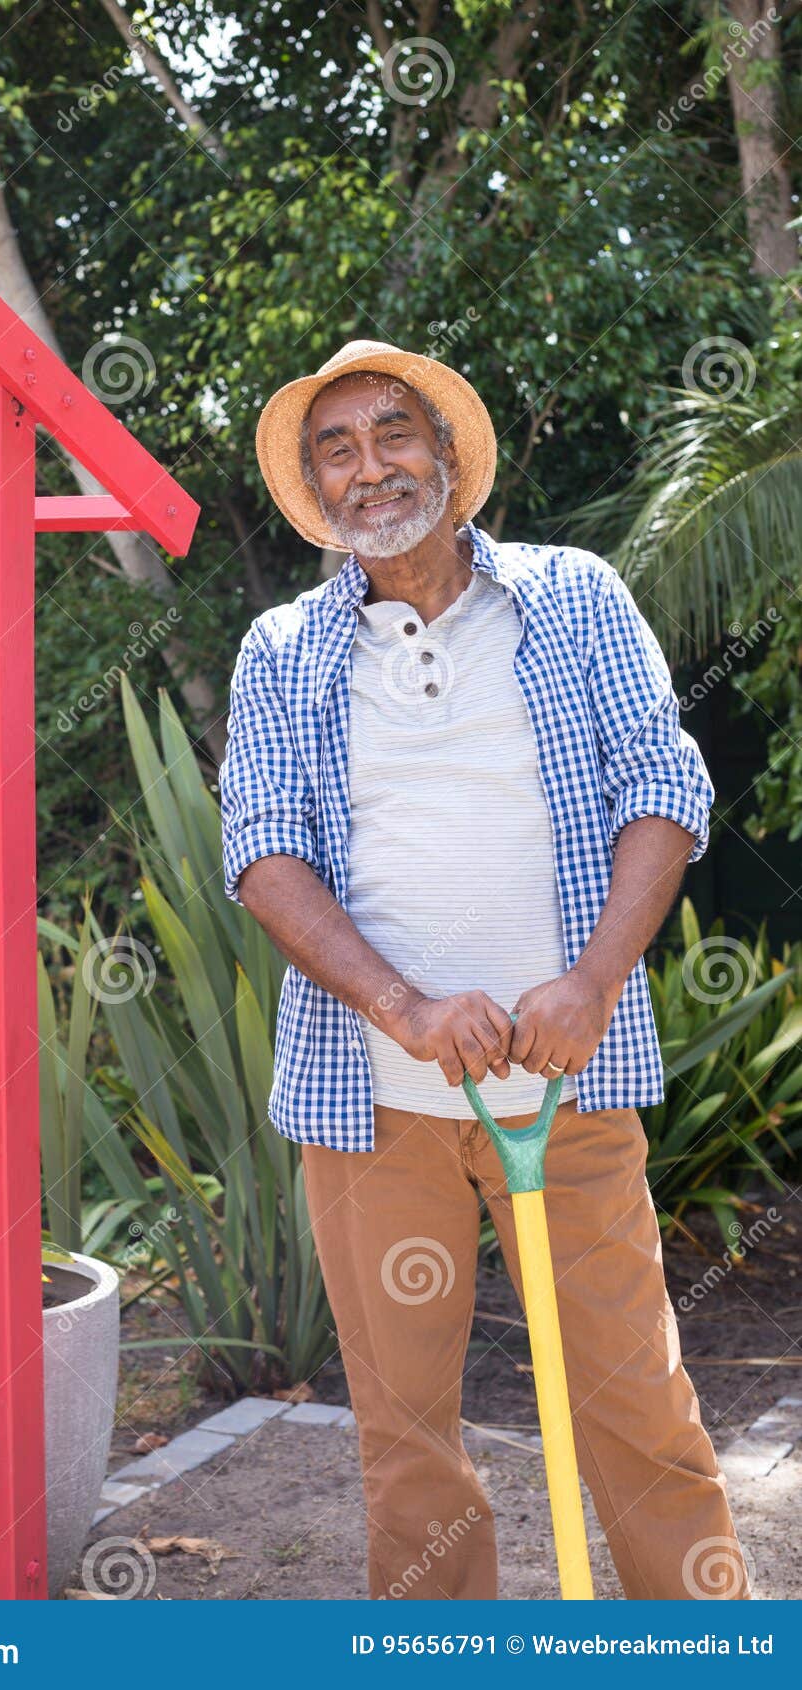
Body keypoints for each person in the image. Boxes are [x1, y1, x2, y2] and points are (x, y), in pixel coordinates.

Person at [217, 339, 750, 1601]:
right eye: (334, 450)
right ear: (315, 490)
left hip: (564, 1088)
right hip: (370, 1108)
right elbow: (260, 851)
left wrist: (591, 983)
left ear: (447, 455)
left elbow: (663, 784)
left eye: (391, 433)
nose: (368, 467)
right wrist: (403, 1007)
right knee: (404, 1439)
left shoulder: (572, 595)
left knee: (639, 1407)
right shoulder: (281, 649)